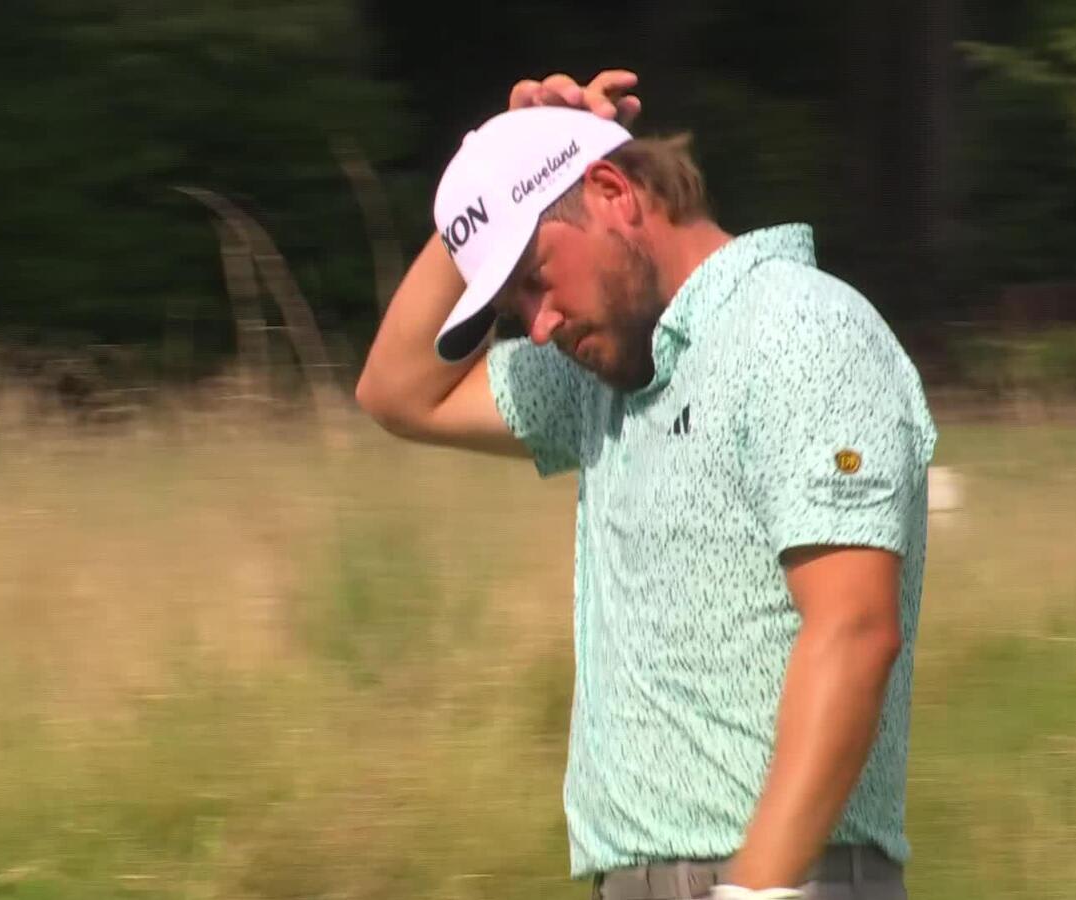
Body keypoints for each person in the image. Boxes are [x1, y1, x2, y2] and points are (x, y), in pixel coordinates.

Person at [356, 71, 937, 900]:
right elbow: (397, 392)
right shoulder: (608, 372)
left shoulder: (801, 330)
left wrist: (756, 890)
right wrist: (488, 187)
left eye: (534, 277)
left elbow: (854, 628)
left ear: (612, 192)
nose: (540, 325)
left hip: (780, 879)